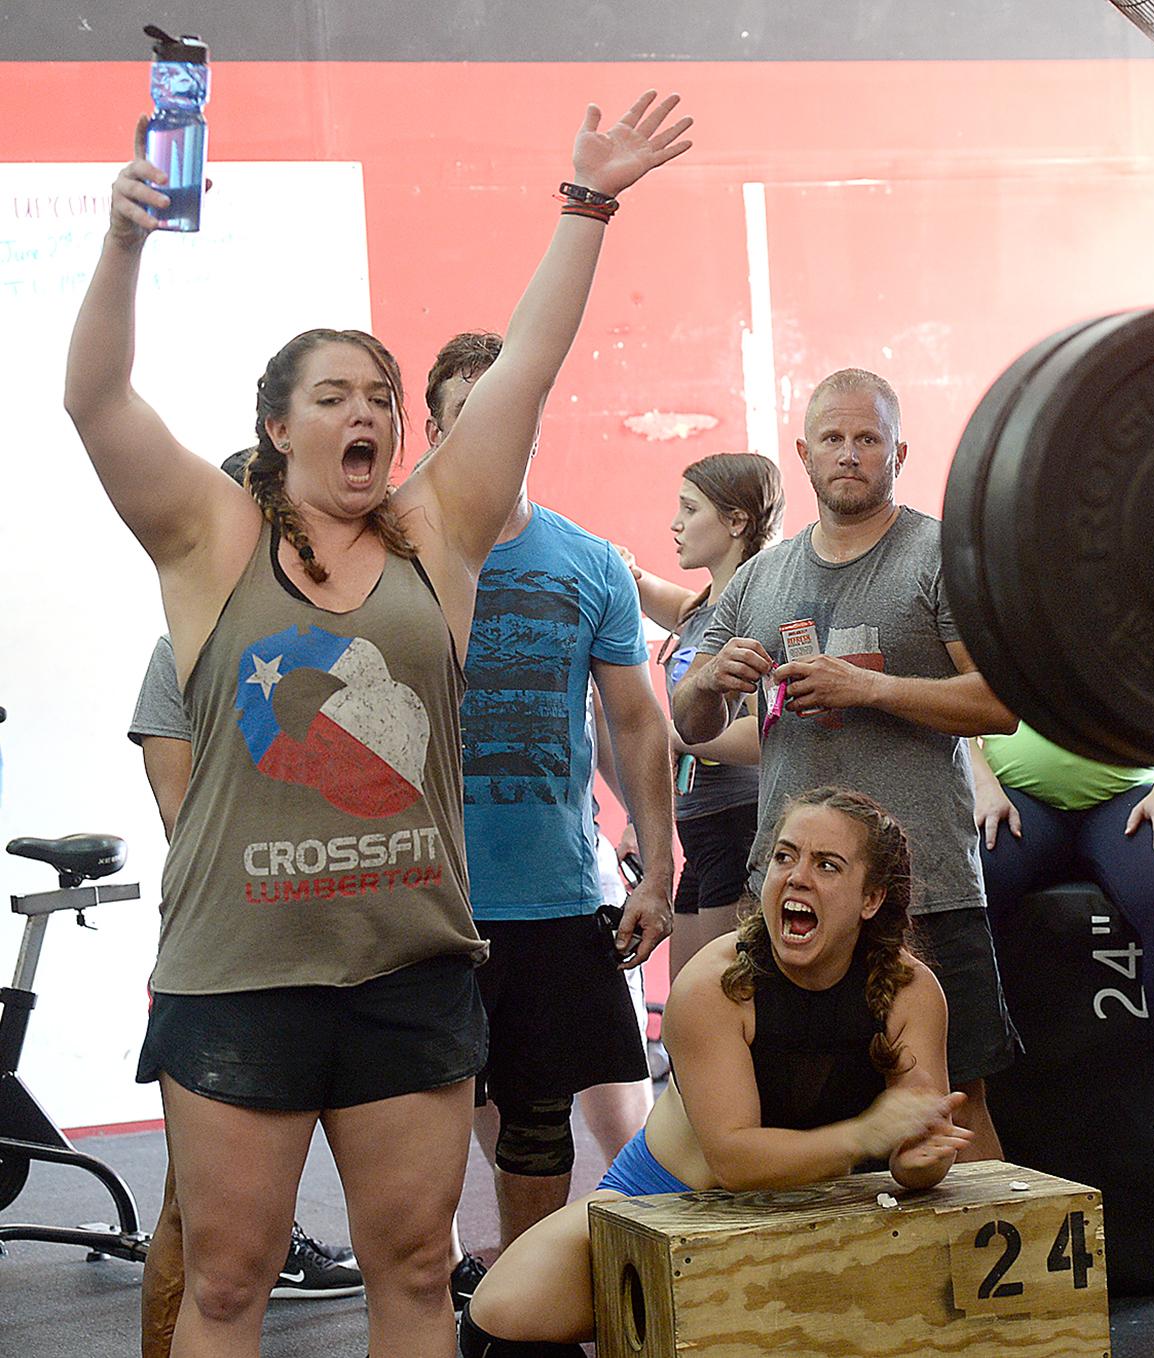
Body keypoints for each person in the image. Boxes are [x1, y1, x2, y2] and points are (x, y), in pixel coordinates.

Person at [64, 90, 692, 1358]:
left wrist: (587, 203)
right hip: (240, 978)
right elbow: (97, 399)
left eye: (383, 399)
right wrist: (124, 240)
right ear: (276, 425)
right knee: (229, 1280)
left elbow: (525, 365)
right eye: (337, 395)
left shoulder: (434, 537)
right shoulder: (207, 540)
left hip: (409, 970)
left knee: (413, 1266)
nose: (368, 415)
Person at [459, 788, 972, 1356]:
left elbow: (920, 1147)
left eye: (827, 865)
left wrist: (919, 1162)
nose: (796, 877)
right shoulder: (715, 982)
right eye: (784, 856)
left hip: (825, 1215)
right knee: (500, 1317)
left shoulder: (911, 990)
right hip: (665, 1203)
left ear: (871, 898)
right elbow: (736, 1160)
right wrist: (868, 1134)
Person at [672, 369, 1021, 1160]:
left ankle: (995, 1283)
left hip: (925, 887)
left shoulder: (940, 556)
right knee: (797, 1116)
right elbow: (693, 725)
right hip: (791, 899)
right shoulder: (762, 578)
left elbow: (1000, 704)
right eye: (833, 438)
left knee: (953, 1120)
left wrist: (870, 687)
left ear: (899, 451)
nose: (850, 454)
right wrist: (705, 682)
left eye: (868, 439)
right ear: (803, 452)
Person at [422, 330, 675, 1253]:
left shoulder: (591, 563)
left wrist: (656, 871)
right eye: (469, 418)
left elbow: (638, 722)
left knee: (537, 1145)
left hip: (550, 904)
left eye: (510, 414)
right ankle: (444, 1303)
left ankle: (514, 1329)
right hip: (417, 903)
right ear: (433, 433)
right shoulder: (389, 553)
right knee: (415, 1154)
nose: (492, 435)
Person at [129, 615, 364, 1358]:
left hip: (364, 961)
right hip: (231, 966)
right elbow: (183, 823)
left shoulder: (359, 647)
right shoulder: (184, 645)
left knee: (407, 1253)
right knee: (197, 1233)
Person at [967, 724, 1154, 1194]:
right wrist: (981, 784)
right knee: (975, 883)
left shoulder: (1139, 646)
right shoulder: (1001, 645)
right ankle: (972, 1112)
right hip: (1016, 798)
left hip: (1131, 799)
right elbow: (960, 705)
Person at [622, 452, 786, 979]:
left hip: (742, 823)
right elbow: (651, 591)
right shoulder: (700, 611)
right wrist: (619, 568)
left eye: (690, 510)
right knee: (685, 1017)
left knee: (721, 1002)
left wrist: (676, 738)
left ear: (736, 522)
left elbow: (768, 731)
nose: (675, 524)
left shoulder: (761, 605)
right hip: (701, 834)